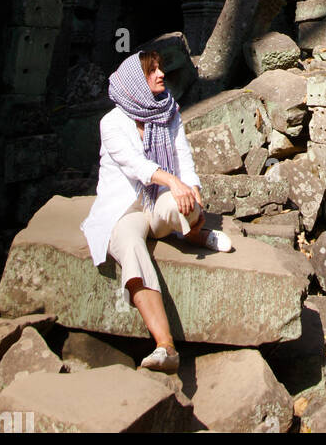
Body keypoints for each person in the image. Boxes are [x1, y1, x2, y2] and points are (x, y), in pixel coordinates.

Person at [81, 48, 232, 372]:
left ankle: (193, 231)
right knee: (132, 249)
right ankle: (165, 347)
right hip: (125, 209)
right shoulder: (112, 123)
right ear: (137, 81)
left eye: (160, 69)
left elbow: (183, 157)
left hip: (159, 201)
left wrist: (192, 189)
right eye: (152, 71)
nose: (161, 74)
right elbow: (135, 165)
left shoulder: (169, 112)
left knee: (186, 206)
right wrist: (173, 182)